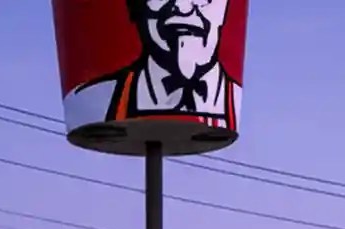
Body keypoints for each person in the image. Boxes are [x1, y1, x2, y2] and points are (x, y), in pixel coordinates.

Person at [68, 0, 240, 131]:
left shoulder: (239, 102)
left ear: (225, 8)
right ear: (134, 6)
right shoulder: (93, 101)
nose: (182, 6)